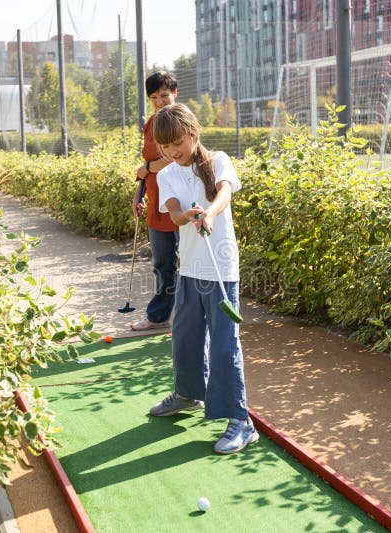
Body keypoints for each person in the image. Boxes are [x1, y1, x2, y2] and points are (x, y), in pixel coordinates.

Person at [149, 103, 258, 455]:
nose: (171, 151)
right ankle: (187, 395)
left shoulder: (218, 161)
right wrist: (189, 215)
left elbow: (224, 192)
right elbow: (176, 213)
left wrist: (209, 212)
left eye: (177, 143)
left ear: (193, 134)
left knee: (225, 345)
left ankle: (241, 422)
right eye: (165, 147)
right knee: (185, 337)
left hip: (221, 270)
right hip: (189, 270)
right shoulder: (167, 174)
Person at [130, 71, 180, 332]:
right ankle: (159, 316)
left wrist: (147, 167)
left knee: (190, 264)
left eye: (164, 95)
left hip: (180, 203)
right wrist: (139, 195)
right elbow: (147, 167)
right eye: (154, 97)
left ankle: (189, 316)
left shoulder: (181, 121)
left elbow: (174, 158)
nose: (160, 101)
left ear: (175, 94)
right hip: (156, 203)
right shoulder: (150, 124)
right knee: (163, 265)